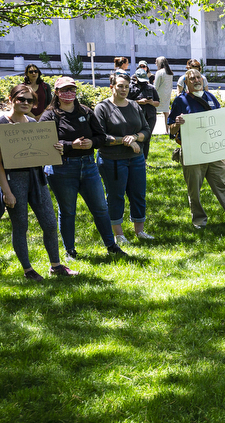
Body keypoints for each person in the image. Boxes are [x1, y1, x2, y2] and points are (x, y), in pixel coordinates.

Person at [40, 77, 128, 259]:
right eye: (64, 90)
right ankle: (70, 251)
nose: (68, 94)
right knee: (68, 210)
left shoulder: (85, 111)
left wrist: (91, 143)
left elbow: (101, 137)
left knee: (101, 208)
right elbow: (45, 143)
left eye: (72, 90)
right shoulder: (49, 115)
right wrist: (71, 145)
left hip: (88, 166)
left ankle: (111, 246)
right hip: (62, 169)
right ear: (56, 93)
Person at [1, 85, 78, 281]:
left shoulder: (33, 122)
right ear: (11, 99)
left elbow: (41, 154)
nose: (26, 103)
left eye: (30, 100)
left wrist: (55, 150)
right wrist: (7, 191)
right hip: (13, 179)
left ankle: (56, 265)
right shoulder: (1, 123)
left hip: (37, 178)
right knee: (21, 225)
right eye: (21, 99)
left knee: (50, 224)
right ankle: (28, 270)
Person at [167, 69, 225, 229]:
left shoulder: (211, 98)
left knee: (224, 185)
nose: (196, 80)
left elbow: (223, 120)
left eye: (198, 77)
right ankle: (199, 221)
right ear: (186, 83)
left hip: (215, 151)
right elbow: (170, 130)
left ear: (202, 80)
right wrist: (176, 124)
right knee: (194, 190)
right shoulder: (181, 100)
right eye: (191, 78)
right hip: (193, 153)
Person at [95, 74, 153, 245]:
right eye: (120, 86)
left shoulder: (134, 105)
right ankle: (118, 234)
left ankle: (140, 230)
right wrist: (126, 141)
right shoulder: (102, 108)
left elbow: (147, 129)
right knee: (115, 196)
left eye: (126, 86)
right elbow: (101, 137)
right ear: (111, 86)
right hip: (112, 160)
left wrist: (135, 137)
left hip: (136, 159)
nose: (124, 89)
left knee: (138, 194)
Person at [127, 65, 160, 158]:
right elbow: (126, 102)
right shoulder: (131, 87)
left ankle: (144, 159)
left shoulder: (151, 88)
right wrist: (139, 102)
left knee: (147, 138)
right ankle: (136, 157)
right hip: (136, 115)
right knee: (137, 137)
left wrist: (151, 102)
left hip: (150, 116)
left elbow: (158, 103)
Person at [153, 56, 174, 130]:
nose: (155, 63)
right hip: (167, 94)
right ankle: (167, 130)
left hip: (158, 95)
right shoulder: (169, 72)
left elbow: (155, 86)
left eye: (156, 62)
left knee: (153, 112)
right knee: (166, 112)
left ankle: (152, 129)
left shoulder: (159, 72)